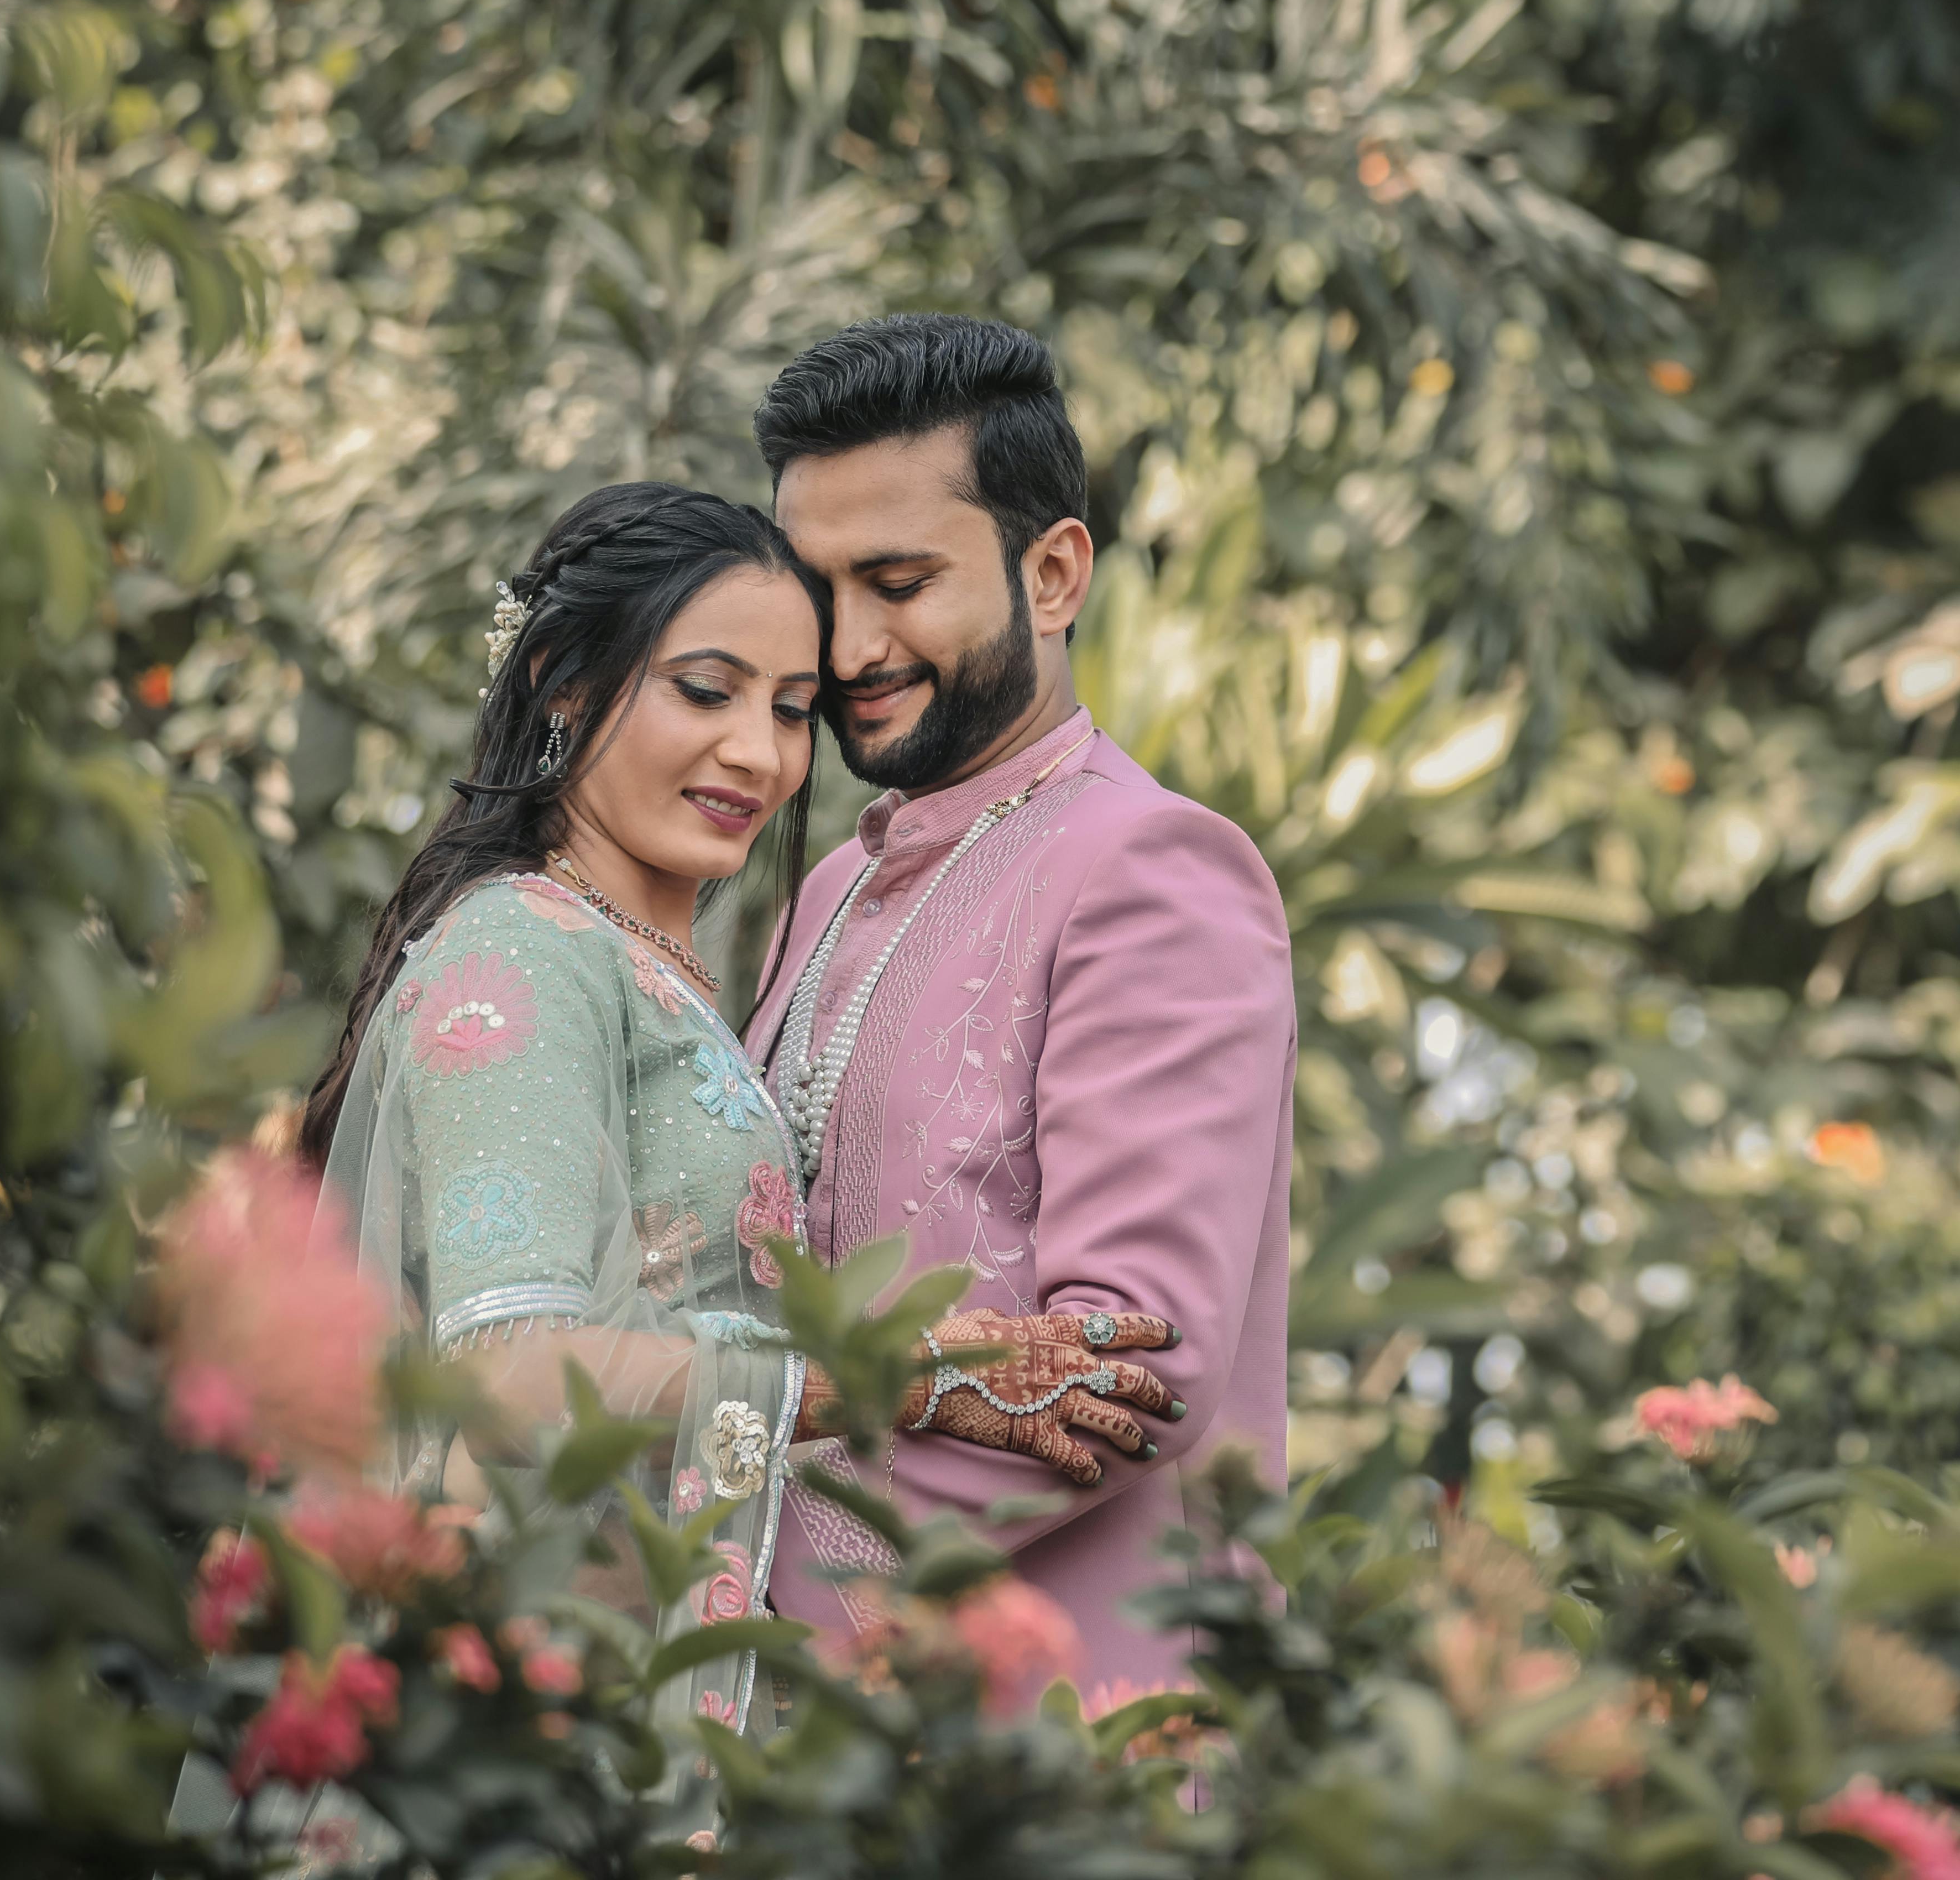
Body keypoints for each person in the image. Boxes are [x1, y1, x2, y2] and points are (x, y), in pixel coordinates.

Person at [295, 481, 1187, 1734]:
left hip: (650, 1680)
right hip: (531, 1715)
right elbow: (507, 1368)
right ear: (561, 678)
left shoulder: (660, 971)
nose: (759, 756)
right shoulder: (519, 951)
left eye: (792, 710)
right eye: (704, 691)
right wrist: (904, 1379)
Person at [746, 317, 1297, 1689]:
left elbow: (1129, 1366)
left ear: (1052, 571)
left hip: (1061, 1739)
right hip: (801, 1738)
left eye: (900, 579)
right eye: (816, 590)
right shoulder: (827, 888)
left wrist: (737, 1526)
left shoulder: (1153, 867)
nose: (850, 643)